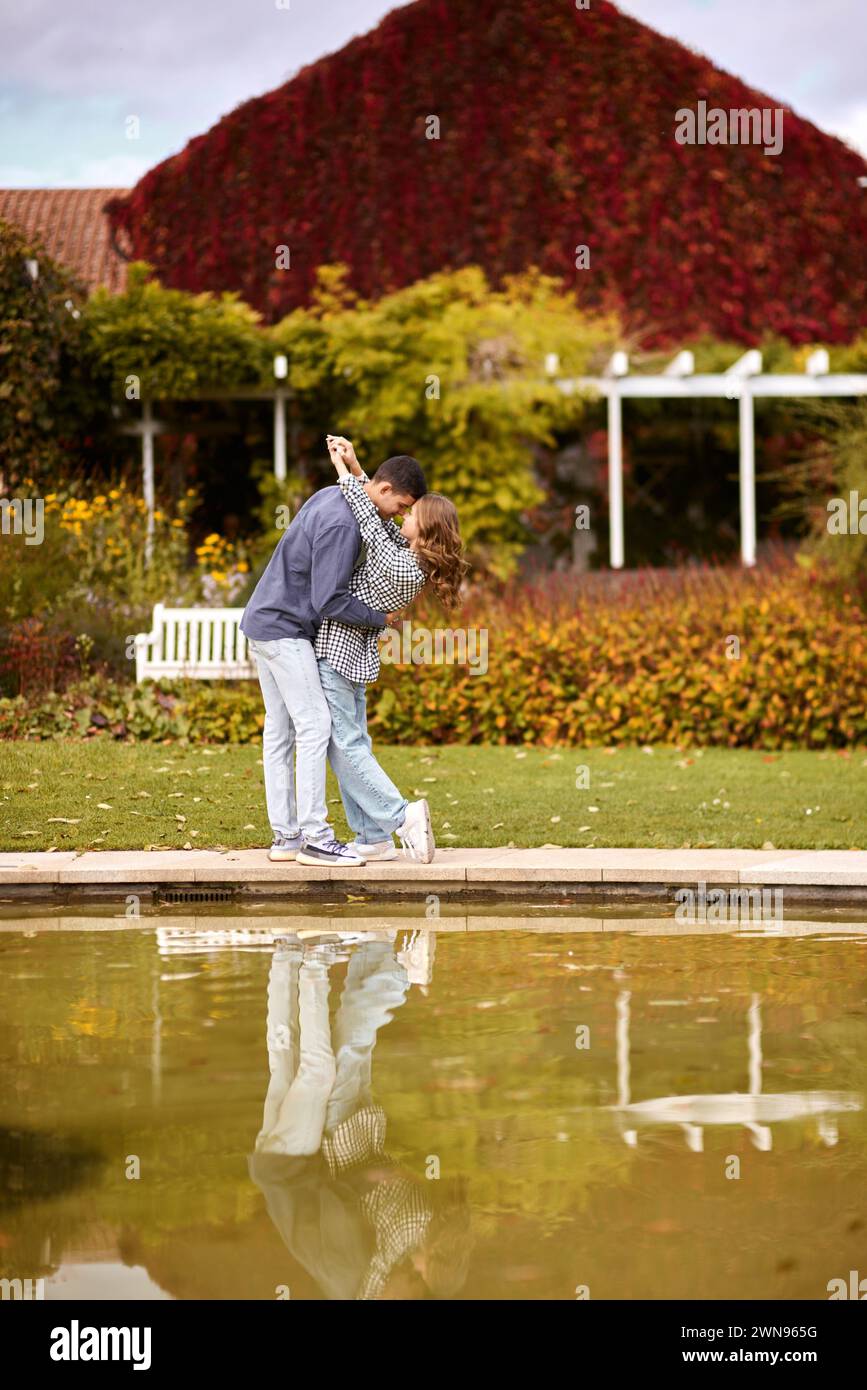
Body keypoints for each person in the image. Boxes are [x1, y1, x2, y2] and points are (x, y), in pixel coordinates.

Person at [240, 452, 432, 867]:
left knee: (281, 732)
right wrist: (380, 619)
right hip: (287, 629)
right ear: (385, 490)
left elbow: (371, 517)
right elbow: (329, 600)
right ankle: (315, 839)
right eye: (401, 506)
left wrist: (354, 469)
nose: (401, 517)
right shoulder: (344, 525)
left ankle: (286, 837)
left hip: (263, 620)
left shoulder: (334, 495)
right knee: (315, 726)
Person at [317, 435, 467, 862]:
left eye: (410, 512)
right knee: (353, 744)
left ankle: (402, 817)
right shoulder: (408, 553)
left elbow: (368, 516)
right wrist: (360, 467)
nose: (402, 513)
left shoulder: (403, 564)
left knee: (343, 745)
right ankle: (371, 838)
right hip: (352, 657)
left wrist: (343, 470)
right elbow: (379, 512)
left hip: (338, 653)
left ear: (425, 528)